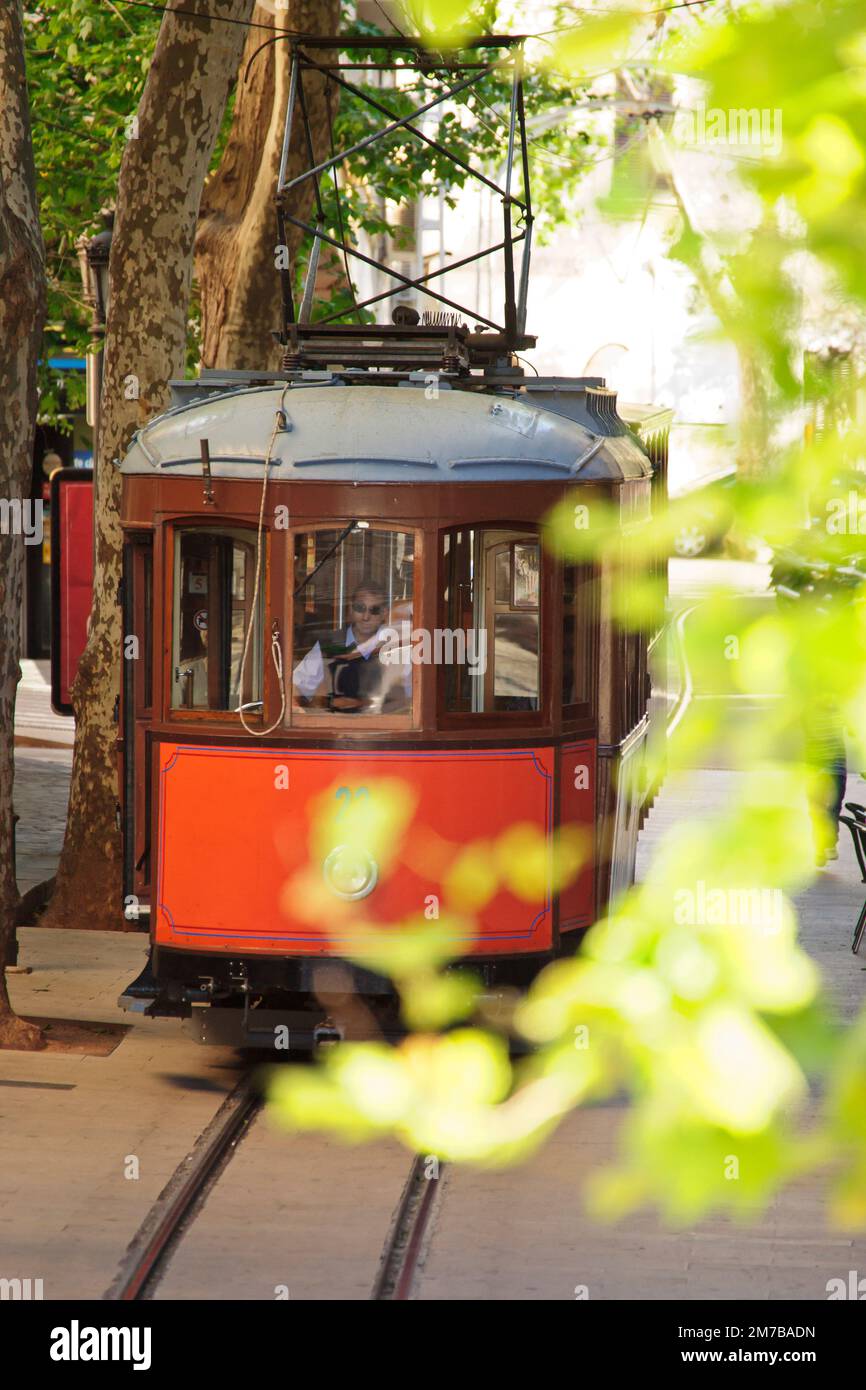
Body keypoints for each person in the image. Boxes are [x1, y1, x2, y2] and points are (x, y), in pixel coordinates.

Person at [293, 579, 410, 714]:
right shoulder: (328, 645)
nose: (366, 617)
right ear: (350, 608)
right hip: (334, 729)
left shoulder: (396, 647)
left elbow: (408, 700)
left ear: (384, 613)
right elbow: (296, 688)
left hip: (382, 730)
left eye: (375, 610)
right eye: (360, 608)